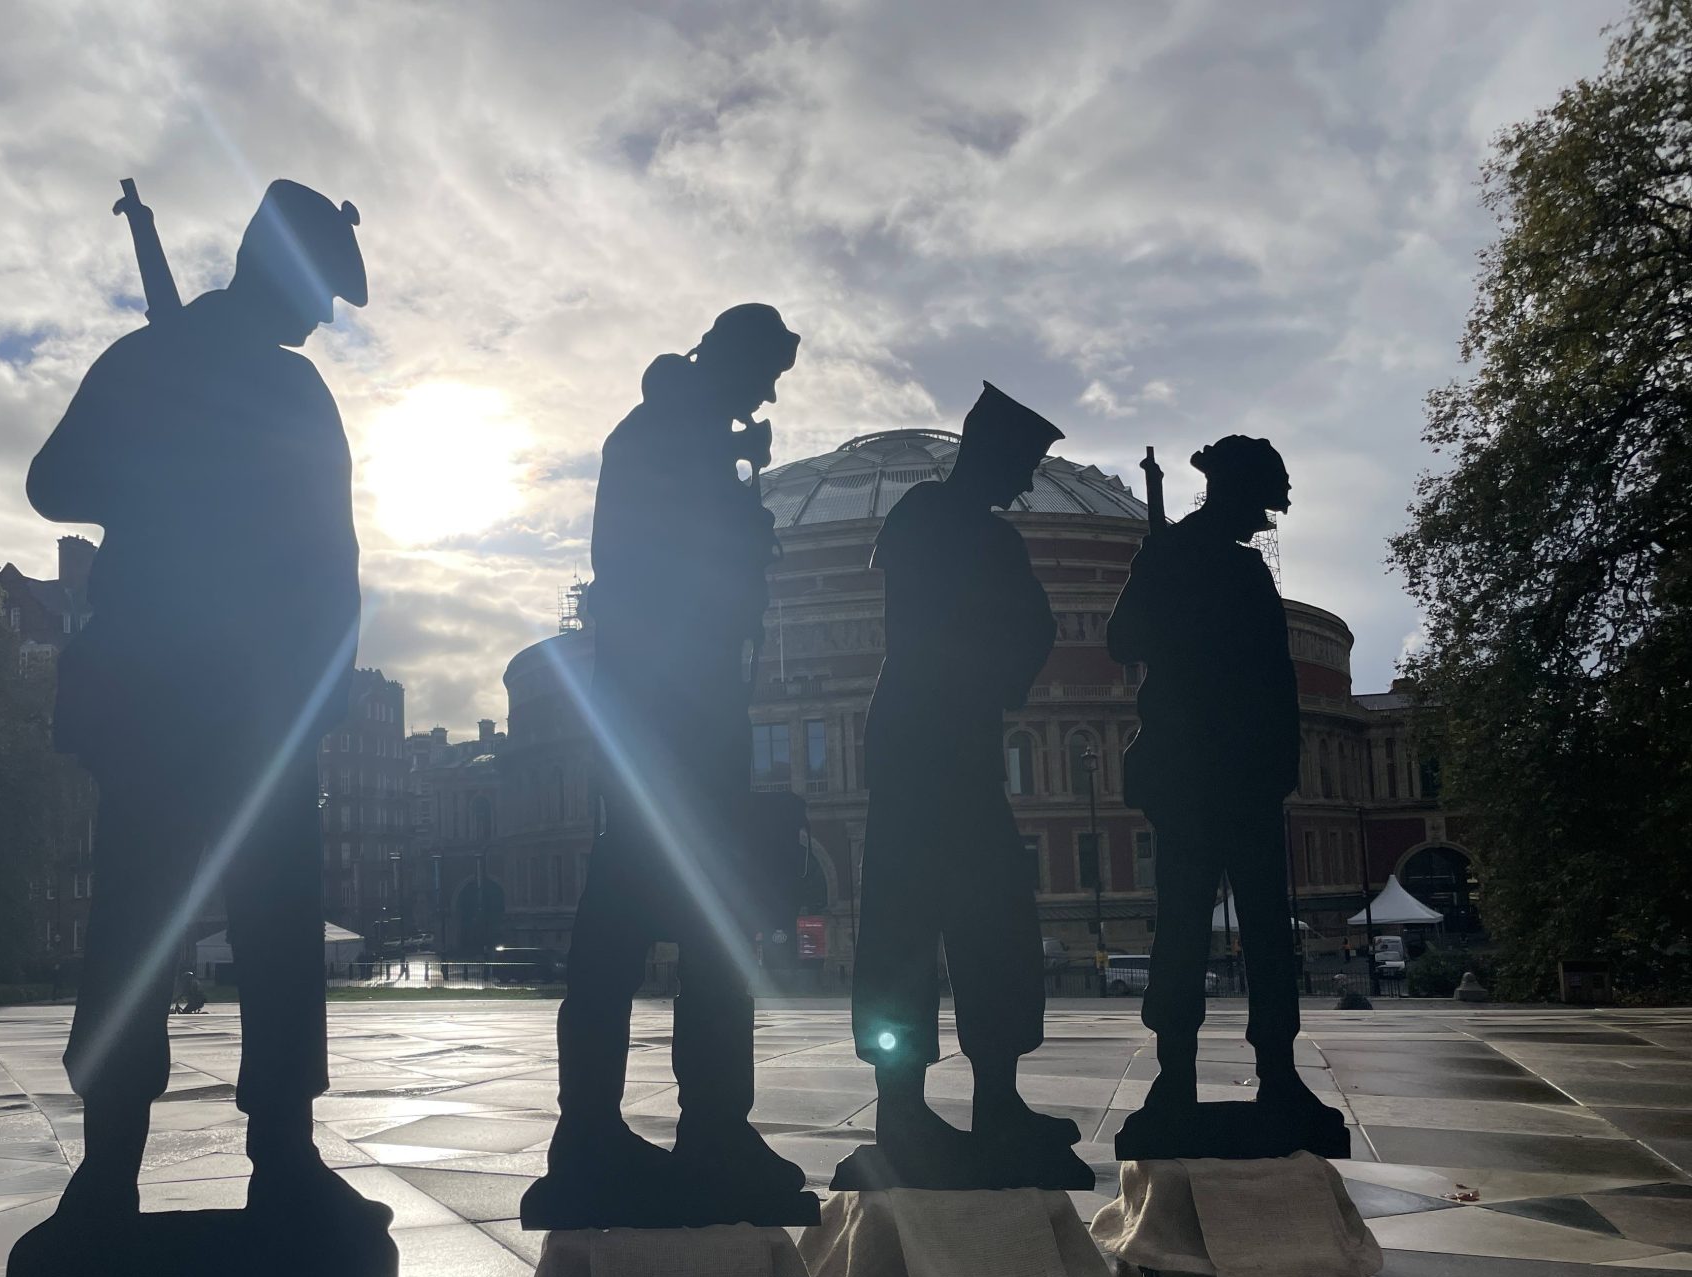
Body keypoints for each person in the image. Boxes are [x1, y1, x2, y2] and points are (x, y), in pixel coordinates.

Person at [27, 179, 380, 1228]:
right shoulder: (154, 362)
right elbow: (56, 483)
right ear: (276, 273)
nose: (323, 321)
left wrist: (324, 694)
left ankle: (285, 1153)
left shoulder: (284, 390)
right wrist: (162, 469)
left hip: (262, 710)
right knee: (139, 928)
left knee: (269, 931)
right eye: (320, 295)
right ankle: (105, 1174)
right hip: (161, 696)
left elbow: (334, 559)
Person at [525, 304, 806, 1227]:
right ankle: (662, 1131)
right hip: (664, 721)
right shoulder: (659, 436)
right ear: (728, 360)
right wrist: (736, 534)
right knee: (661, 930)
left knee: (676, 927)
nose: (766, 396)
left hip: (678, 716)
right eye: (763, 374)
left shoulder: (677, 434)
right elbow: (646, 571)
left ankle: (677, 1128)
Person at [847, 383, 1091, 1189]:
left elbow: (1033, 628)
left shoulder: (990, 537)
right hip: (924, 750)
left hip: (957, 751)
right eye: (1021, 465)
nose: (1025, 484)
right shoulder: (925, 516)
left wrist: (997, 657)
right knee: (902, 935)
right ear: (986, 451)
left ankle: (998, 1103)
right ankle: (901, 1109)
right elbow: (966, 627)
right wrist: (993, 661)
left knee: (996, 931)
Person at [1106, 435, 1344, 1152]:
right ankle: (1173, 1074)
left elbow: (1277, 674)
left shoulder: (1238, 567)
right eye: (1260, 505)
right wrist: (1173, 620)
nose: (1262, 522)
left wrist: (1280, 761)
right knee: (1183, 929)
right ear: (1232, 493)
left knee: (1267, 932)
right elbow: (1122, 640)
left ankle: (1278, 1069)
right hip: (1190, 772)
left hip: (1243, 773)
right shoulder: (1168, 555)